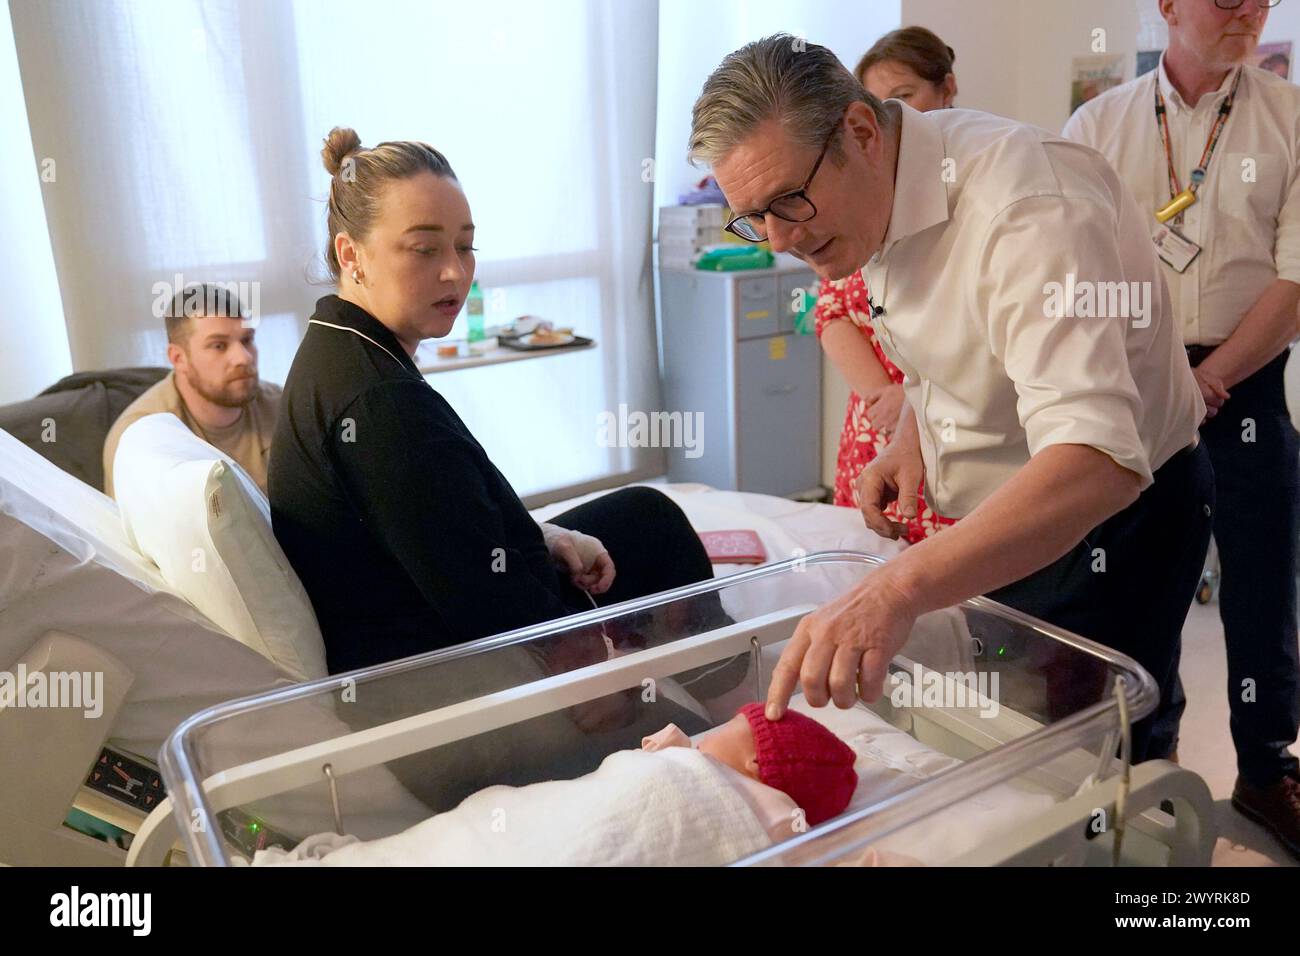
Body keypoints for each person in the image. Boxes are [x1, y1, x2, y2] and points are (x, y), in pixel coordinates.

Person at [689, 35, 1210, 763]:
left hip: (1108, 519)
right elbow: (952, 350)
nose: (779, 239)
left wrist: (895, 590)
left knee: (1090, 758)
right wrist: (916, 438)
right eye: (753, 217)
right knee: (1011, 729)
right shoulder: (878, 193)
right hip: (1010, 508)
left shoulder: (1028, 206)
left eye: (788, 202)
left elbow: (1097, 456)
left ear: (862, 132)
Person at [269, 128, 723, 678]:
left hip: (430, 626)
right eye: (424, 248)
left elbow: (445, 531)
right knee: (654, 533)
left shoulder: (337, 348)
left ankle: (714, 686)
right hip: (440, 682)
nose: (454, 272)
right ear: (352, 255)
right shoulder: (377, 403)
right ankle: (739, 720)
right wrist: (600, 672)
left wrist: (544, 537)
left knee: (645, 517)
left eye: (465, 245)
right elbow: (497, 614)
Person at [1064, 0, 1300, 859]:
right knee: (1131, 582)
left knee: (1265, 585)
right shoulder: (1098, 125)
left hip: (1249, 379)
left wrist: (1213, 376)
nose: (1248, 9)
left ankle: (1268, 770)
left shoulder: (1290, 118)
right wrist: (1161, 374)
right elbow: (1076, 263)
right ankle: (1145, 761)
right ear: (1166, 4)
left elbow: (1296, 280)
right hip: (1134, 382)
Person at [816, 26, 959, 541]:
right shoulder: (862, 194)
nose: (888, 116)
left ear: (947, 89)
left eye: (902, 97)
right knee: (871, 561)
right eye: (875, 104)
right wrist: (884, 396)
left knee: (955, 588)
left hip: (952, 419)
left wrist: (915, 398)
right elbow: (831, 312)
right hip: (874, 420)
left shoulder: (968, 189)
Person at [102, 284, 280, 497]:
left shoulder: (284, 408)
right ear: (178, 358)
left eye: (247, 340)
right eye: (219, 346)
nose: (244, 358)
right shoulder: (140, 439)